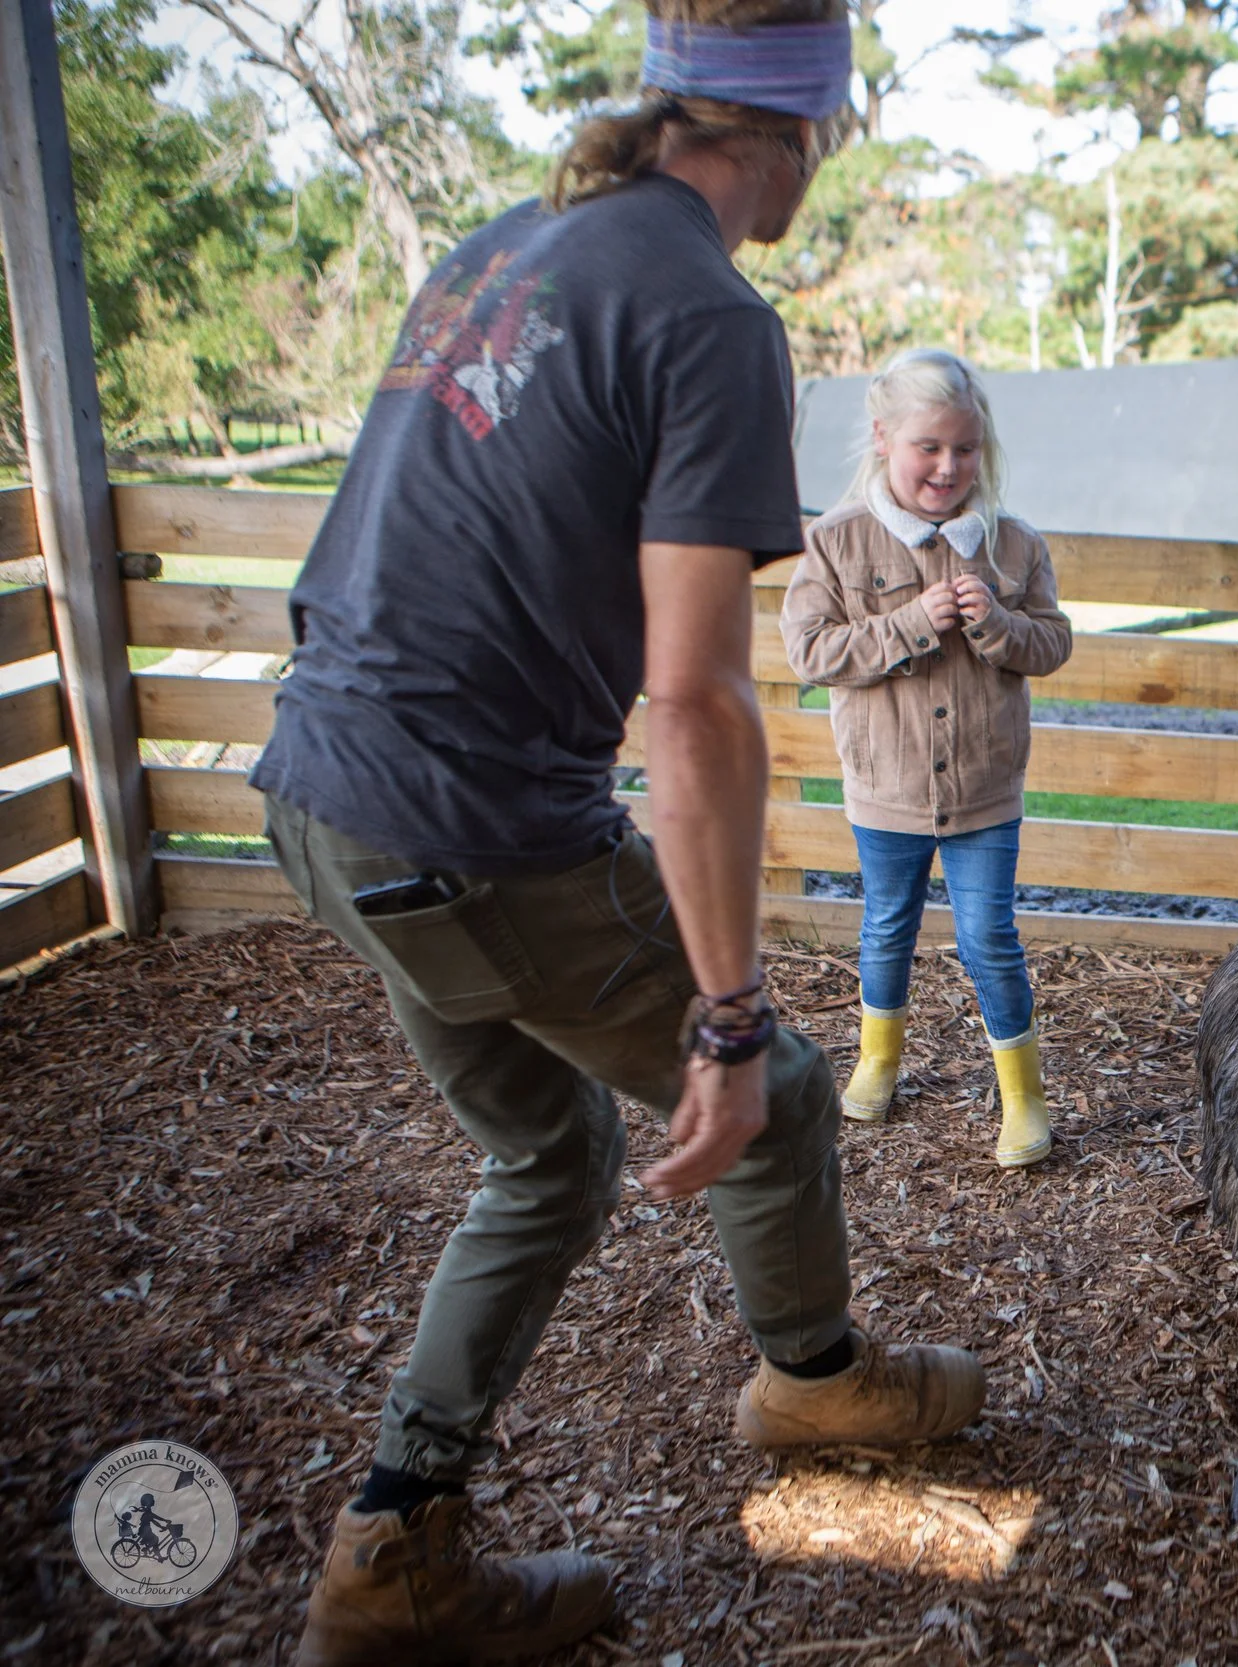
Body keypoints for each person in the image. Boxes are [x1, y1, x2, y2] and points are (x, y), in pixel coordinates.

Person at [249, 7, 985, 1662]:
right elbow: (697, 702)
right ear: (793, 129)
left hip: (320, 791)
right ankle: (815, 1384)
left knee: (545, 1152)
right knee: (779, 1090)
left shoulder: (509, 244)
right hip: (469, 821)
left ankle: (392, 1549)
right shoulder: (705, 310)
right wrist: (724, 1015)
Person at [780, 348, 1074, 1168]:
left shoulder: (1014, 545)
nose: (948, 467)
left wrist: (997, 626)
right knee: (887, 926)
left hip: (985, 789)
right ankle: (878, 1059)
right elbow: (810, 650)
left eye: (965, 449)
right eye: (928, 447)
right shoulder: (836, 542)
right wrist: (912, 621)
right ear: (884, 438)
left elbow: (1053, 643)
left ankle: (1023, 1094)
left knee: (989, 935)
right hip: (887, 787)